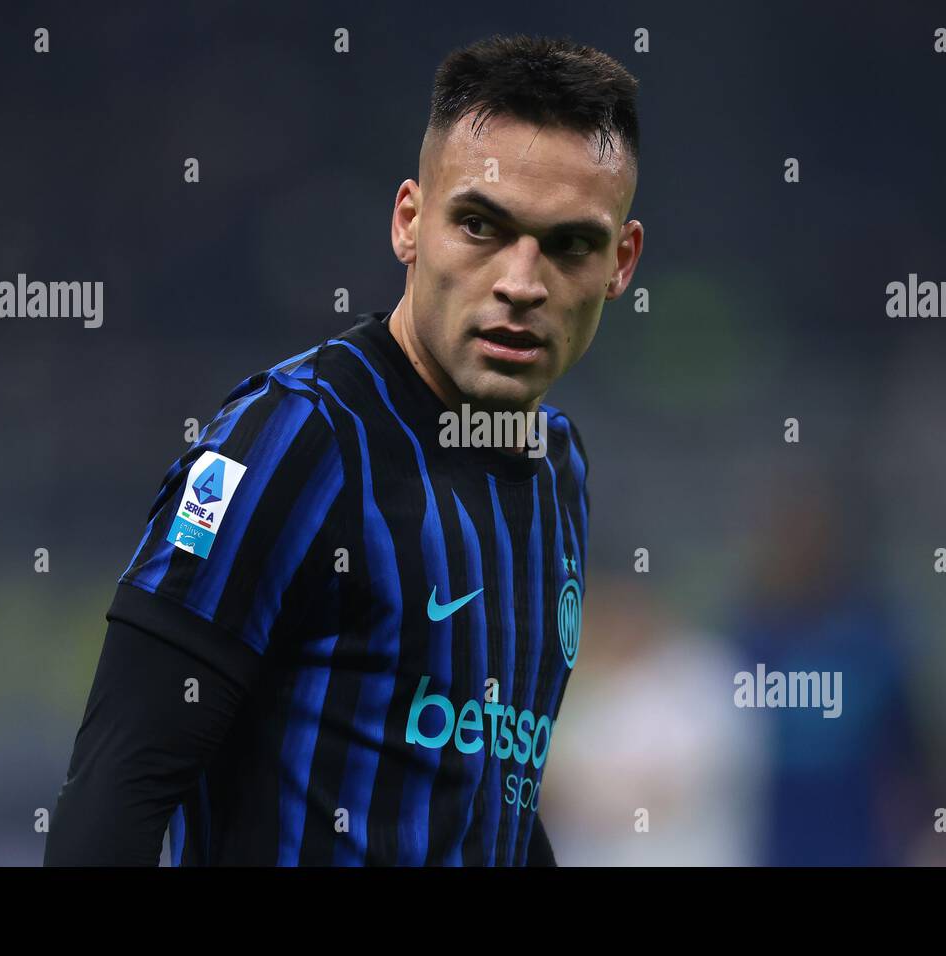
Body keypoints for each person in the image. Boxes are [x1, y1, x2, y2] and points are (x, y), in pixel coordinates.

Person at [44, 33, 644, 866]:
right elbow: (118, 790)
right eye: (480, 225)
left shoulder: (559, 472)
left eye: (569, 244)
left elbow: (483, 798)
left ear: (620, 263)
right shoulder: (295, 439)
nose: (520, 282)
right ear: (409, 222)